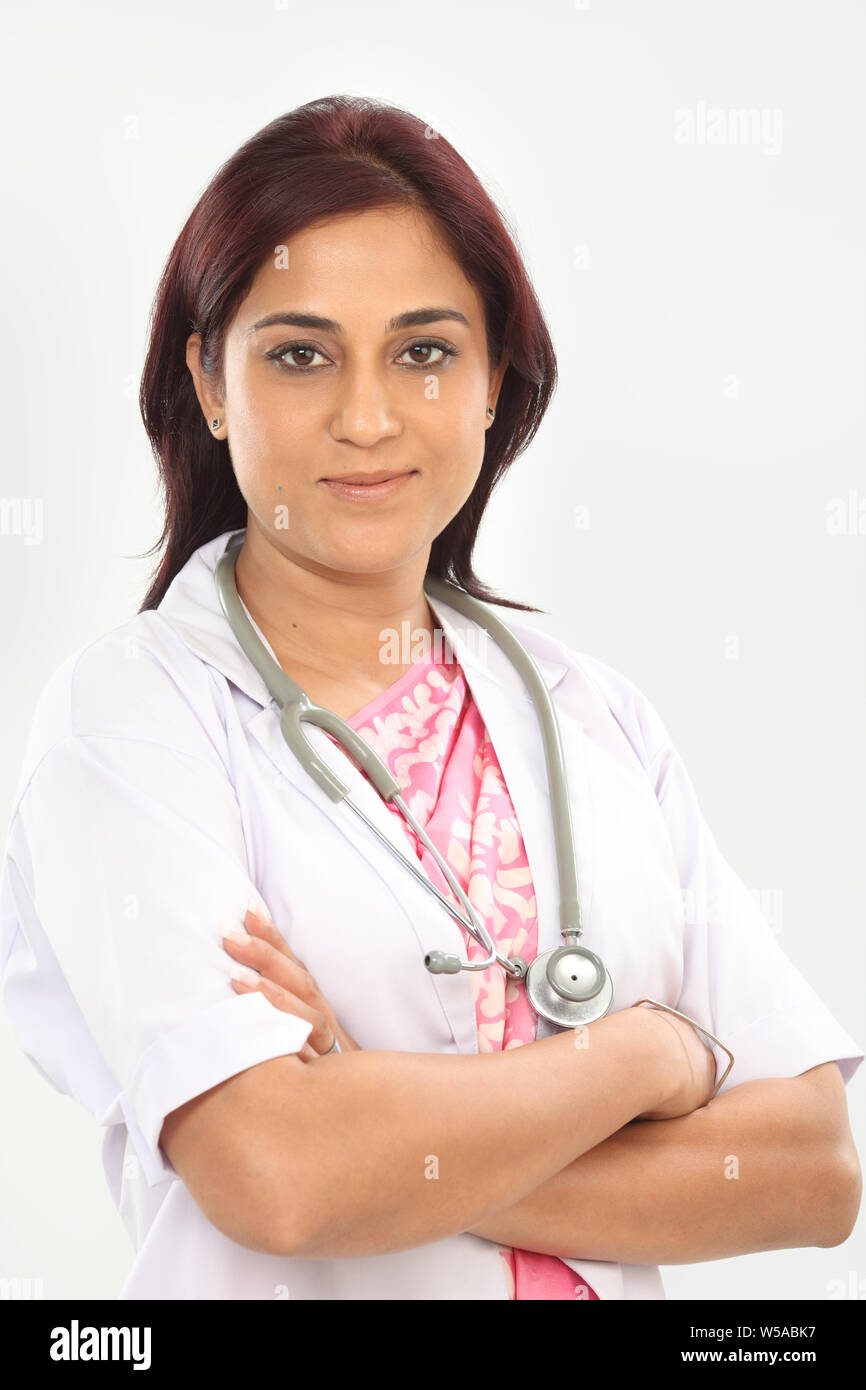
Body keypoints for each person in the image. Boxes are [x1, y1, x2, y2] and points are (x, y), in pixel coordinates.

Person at [1, 95, 862, 1302]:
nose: (366, 417)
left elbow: (811, 1170)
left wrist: (371, 1108)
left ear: (494, 380)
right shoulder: (129, 719)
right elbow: (277, 1174)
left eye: (423, 351)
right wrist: (645, 1052)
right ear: (206, 379)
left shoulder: (590, 715)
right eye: (299, 353)